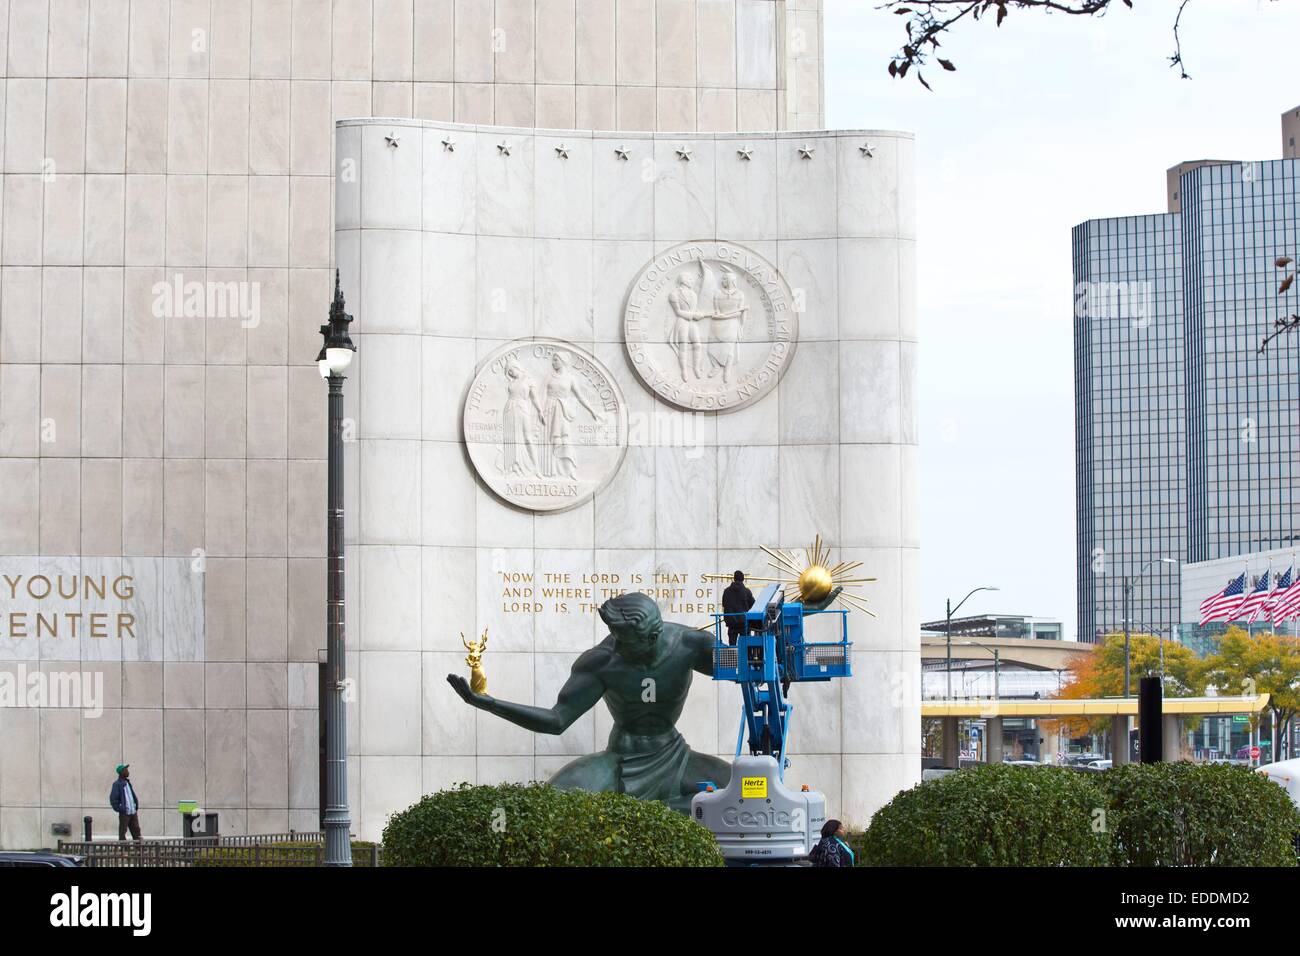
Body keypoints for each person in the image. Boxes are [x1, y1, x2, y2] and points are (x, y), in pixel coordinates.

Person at [109, 764, 142, 841]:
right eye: (126, 770)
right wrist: (120, 808)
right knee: (123, 831)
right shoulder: (117, 784)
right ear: (121, 772)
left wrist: (135, 805)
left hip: (133, 811)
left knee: (136, 830)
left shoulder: (127, 783)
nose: (128, 772)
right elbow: (113, 799)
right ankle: (123, 849)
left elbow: (131, 796)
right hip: (125, 812)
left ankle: (139, 849)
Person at [721, 571, 754, 646]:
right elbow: (753, 604)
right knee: (746, 646)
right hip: (743, 622)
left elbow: (724, 604)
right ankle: (747, 657)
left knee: (732, 645)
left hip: (731, 622)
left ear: (734, 578)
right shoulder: (746, 591)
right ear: (743, 579)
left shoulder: (726, 591)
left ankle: (733, 656)